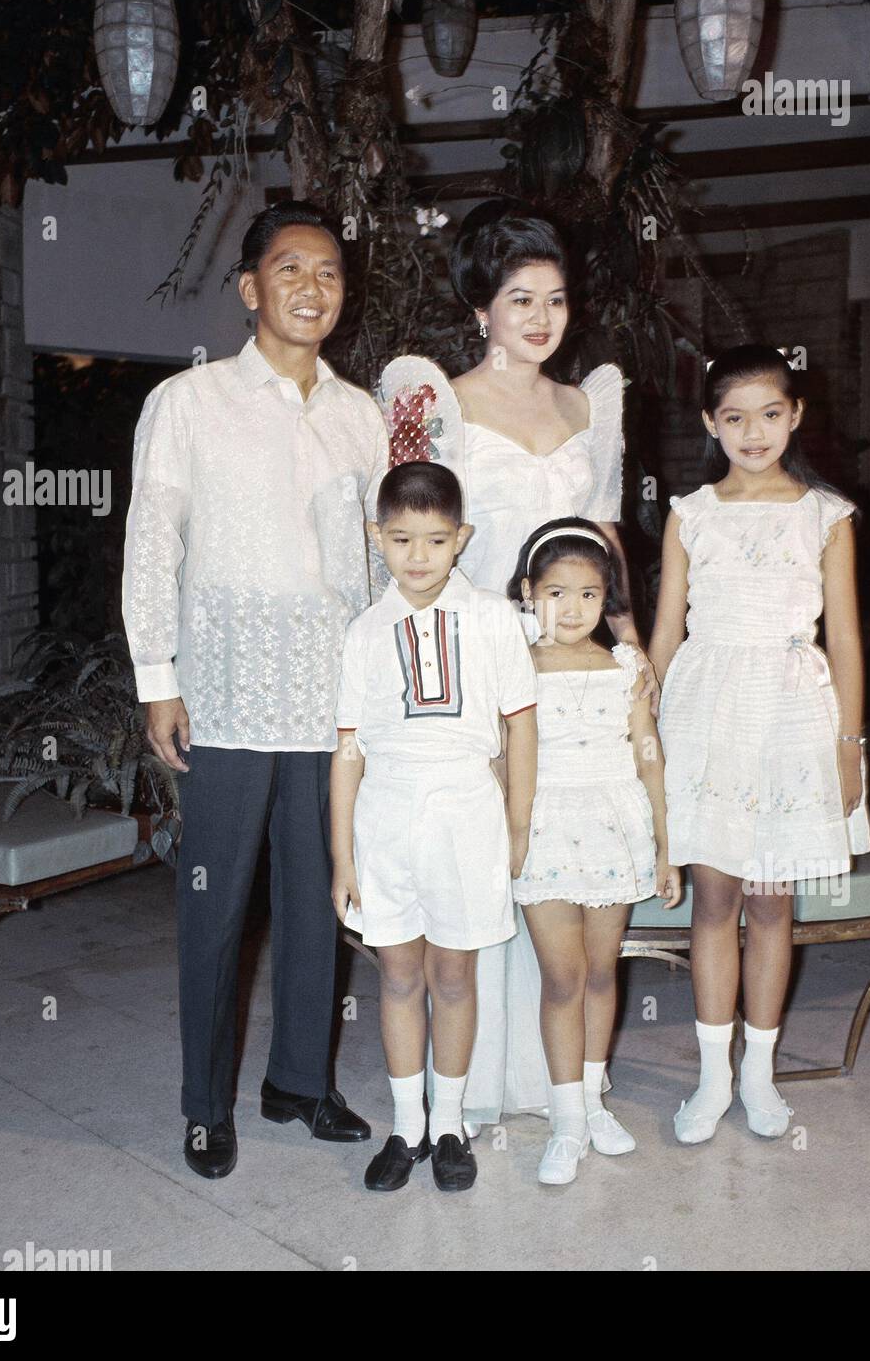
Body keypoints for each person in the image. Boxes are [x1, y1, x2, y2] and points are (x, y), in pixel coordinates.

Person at [375, 204, 656, 1132]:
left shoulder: (588, 404)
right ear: (481, 307)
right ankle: (477, 1085)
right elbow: (409, 543)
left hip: (570, 666)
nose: (541, 317)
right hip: (476, 663)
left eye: (557, 298)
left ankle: (572, 1089)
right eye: (519, 297)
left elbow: (603, 540)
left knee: (566, 844)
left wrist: (630, 642)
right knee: (494, 852)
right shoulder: (437, 403)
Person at [122, 200, 383, 1179]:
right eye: (290, 269)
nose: (311, 287)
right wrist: (159, 676)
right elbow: (154, 543)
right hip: (225, 693)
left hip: (331, 697)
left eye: (328, 272)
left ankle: (300, 1082)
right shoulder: (187, 403)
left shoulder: (361, 417)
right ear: (249, 288)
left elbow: (378, 561)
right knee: (213, 903)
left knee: (319, 897)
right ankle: (204, 1104)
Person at [648, 344, 870, 1145]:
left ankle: (760, 1075)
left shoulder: (826, 515)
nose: (754, 432)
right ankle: (710, 1079)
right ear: (711, 424)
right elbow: (666, 635)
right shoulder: (690, 513)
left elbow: (845, 639)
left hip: (792, 718)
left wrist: (849, 742)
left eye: (770, 414)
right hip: (706, 714)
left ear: (796, 416)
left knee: (773, 900)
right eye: (734, 417)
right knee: (715, 897)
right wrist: (642, 734)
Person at [329, 461, 538, 1192]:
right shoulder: (364, 631)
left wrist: (516, 826)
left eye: (436, 540)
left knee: (453, 974)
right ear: (375, 538)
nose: (418, 557)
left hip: (467, 814)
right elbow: (348, 750)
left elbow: (520, 727)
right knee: (396, 975)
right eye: (401, 539)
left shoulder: (492, 619)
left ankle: (449, 1124)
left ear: (463, 539)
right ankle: (405, 1126)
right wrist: (342, 855)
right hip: (386, 818)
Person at [508, 518, 682, 1184]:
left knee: (602, 972)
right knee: (563, 978)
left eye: (588, 593)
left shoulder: (625, 666)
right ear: (530, 592)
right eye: (557, 592)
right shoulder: (516, 666)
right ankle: (566, 1120)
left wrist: (668, 845)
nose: (573, 608)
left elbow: (649, 755)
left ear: (606, 596)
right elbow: (503, 759)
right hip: (546, 825)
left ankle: (592, 1097)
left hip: (615, 824)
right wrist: (510, 832)